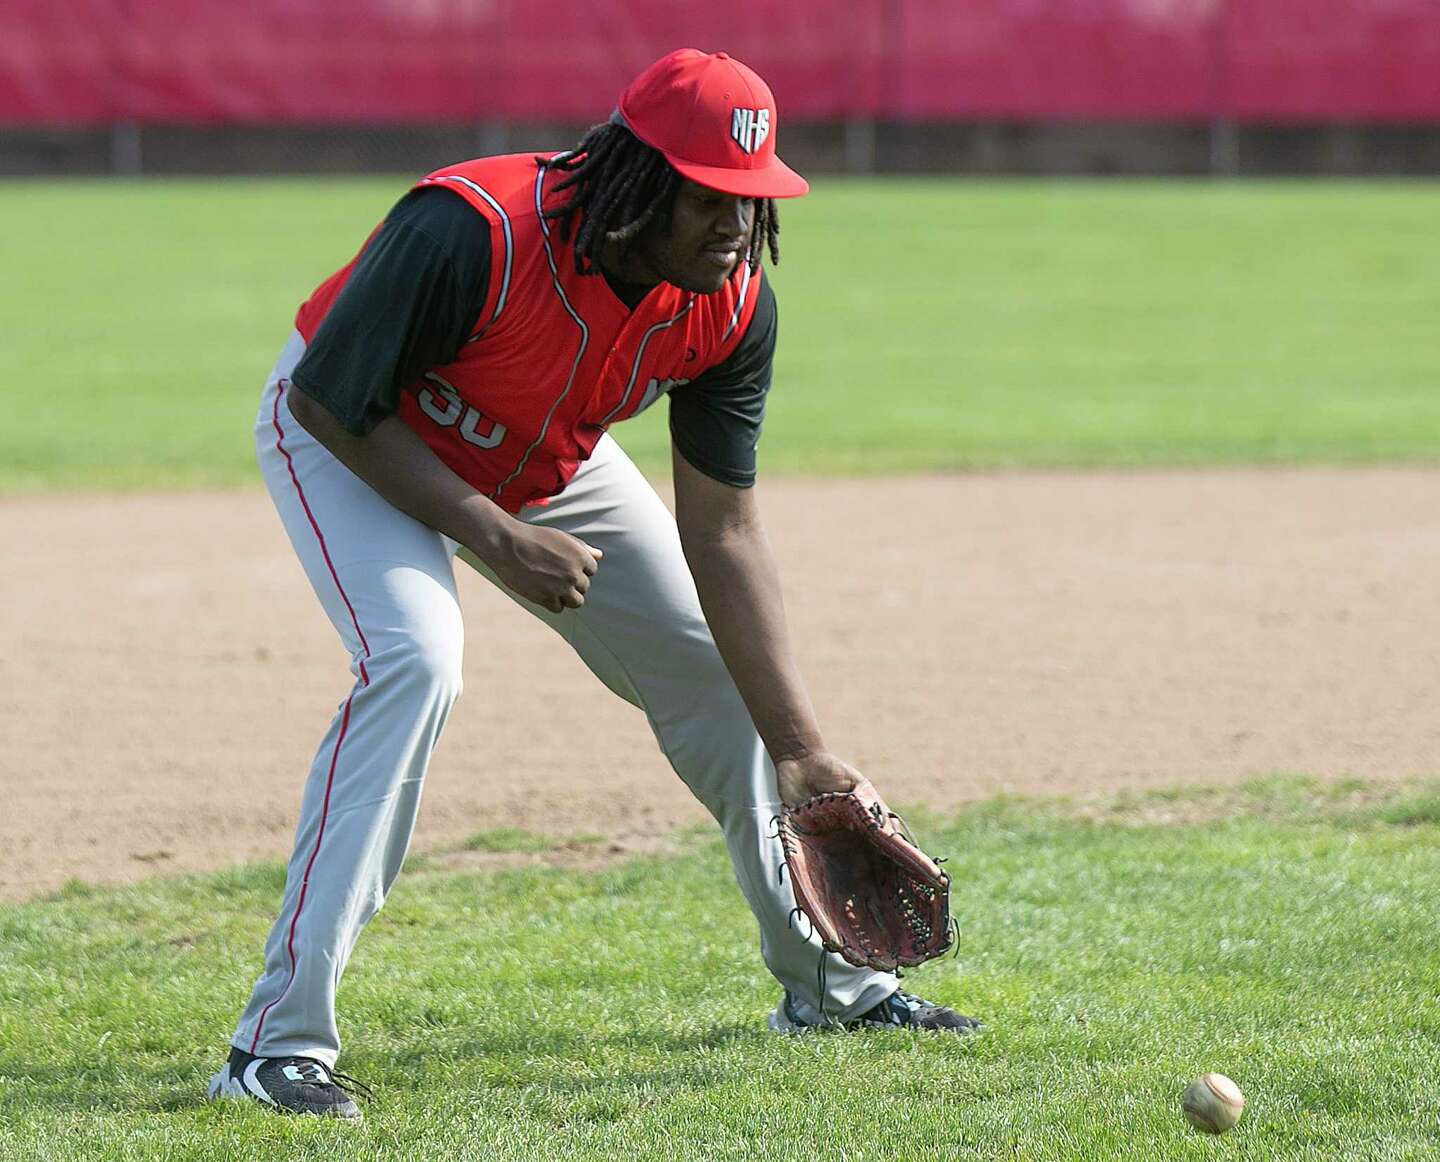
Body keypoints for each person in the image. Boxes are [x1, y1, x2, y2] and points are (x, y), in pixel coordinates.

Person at [207, 47, 979, 1121]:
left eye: (755, 201)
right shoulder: (471, 227)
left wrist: (803, 746)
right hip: (356, 434)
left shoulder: (729, 305)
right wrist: (488, 529)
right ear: (639, 181)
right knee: (416, 658)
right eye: (713, 199)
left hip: (538, 464)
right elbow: (332, 403)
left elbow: (727, 531)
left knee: (725, 679)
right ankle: (273, 1046)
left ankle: (834, 991)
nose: (736, 228)